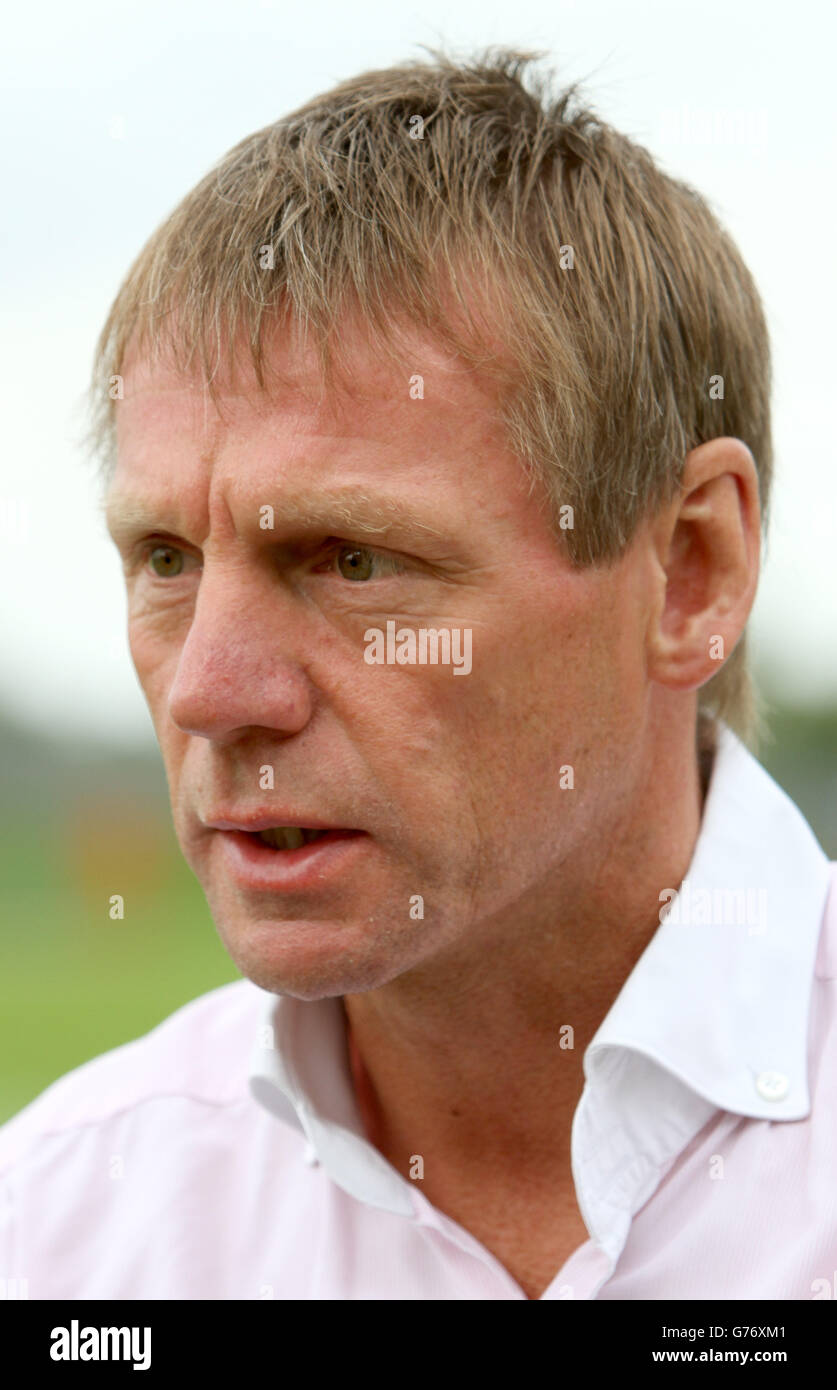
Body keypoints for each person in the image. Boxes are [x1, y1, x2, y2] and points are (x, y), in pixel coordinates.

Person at [1, 47, 834, 1302]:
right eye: (165, 557)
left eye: (349, 559)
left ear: (691, 571)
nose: (210, 695)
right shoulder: (60, 1228)